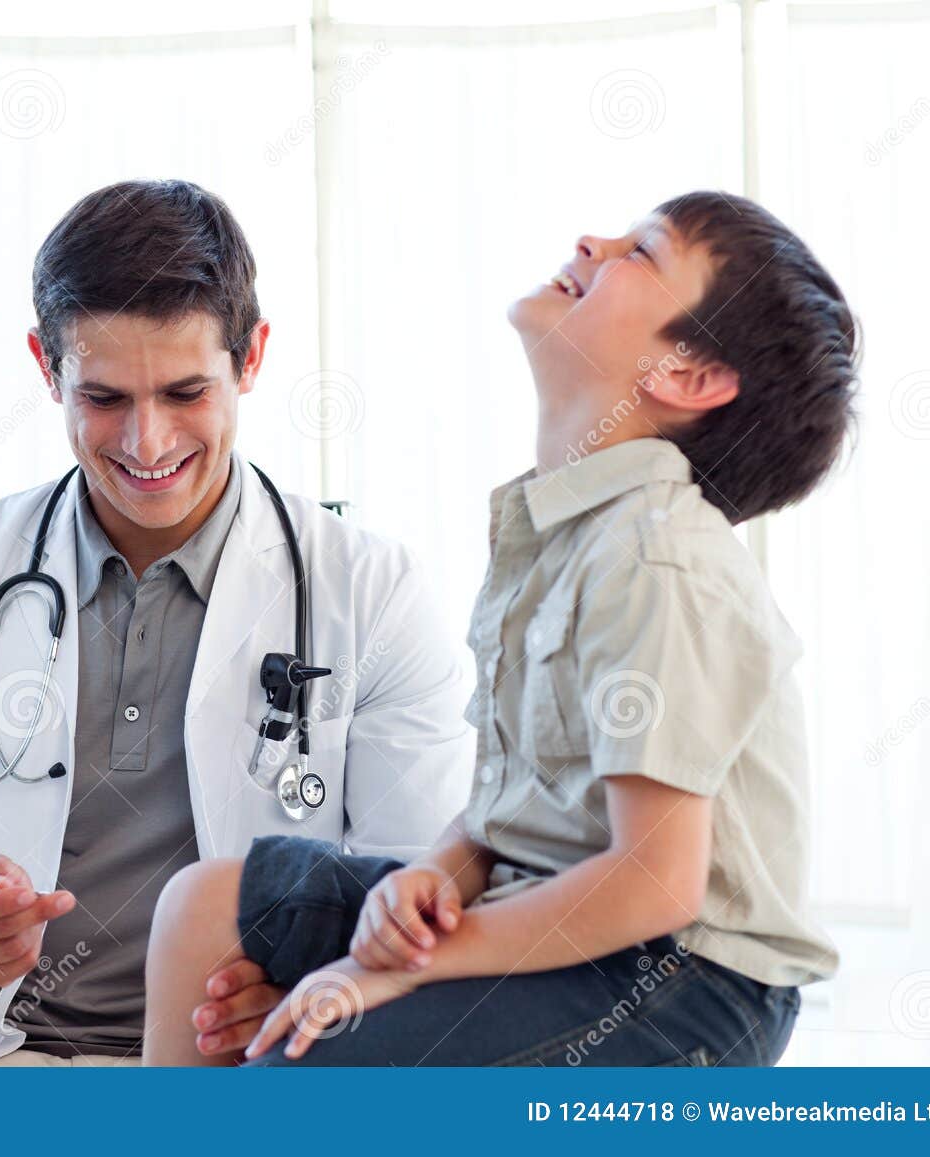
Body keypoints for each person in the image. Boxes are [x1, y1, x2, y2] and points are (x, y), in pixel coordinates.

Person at [143, 191, 854, 1067]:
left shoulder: (661, 556)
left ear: (689, 375)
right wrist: (427, 882)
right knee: (204, 907)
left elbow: (654, 879)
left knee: (309, 1063)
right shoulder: (554, 533)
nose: (594, 240)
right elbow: (510, 811)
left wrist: (405, 972)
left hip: (684, 982)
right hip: (545, 904)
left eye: (642, 253)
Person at [0, 179, 473, 1066]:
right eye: (105, 398)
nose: (147, 444)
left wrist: (313, 981)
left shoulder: (374, 594)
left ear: (252, 358)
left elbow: (422, 891)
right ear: (47, 368)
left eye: (186, 391)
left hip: (230, 1065)